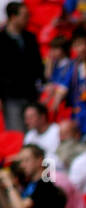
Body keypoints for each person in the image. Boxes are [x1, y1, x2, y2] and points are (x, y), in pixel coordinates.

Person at [0, 3, 43, 133]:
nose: (28, 19)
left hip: (31, 93)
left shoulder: (30, 37)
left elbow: (38, 65)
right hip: (11, 96)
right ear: (13, 17)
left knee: (35, 132)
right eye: (24, 16)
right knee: (16, 132)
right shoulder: (1, 40)